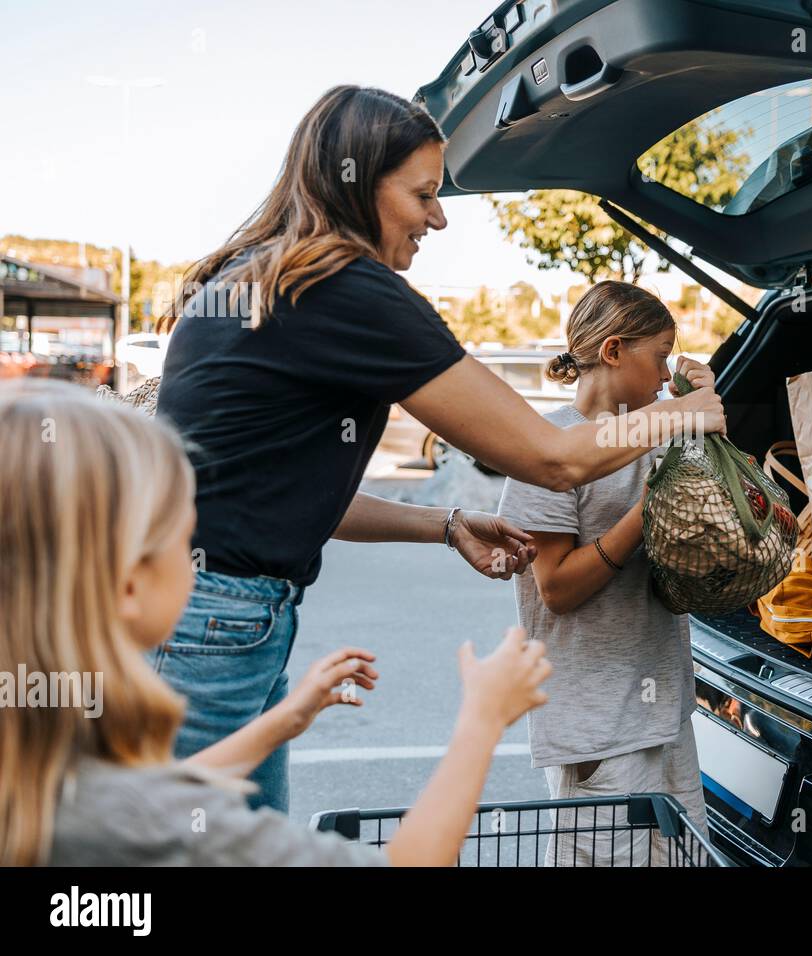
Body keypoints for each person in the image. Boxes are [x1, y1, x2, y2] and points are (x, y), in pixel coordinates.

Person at [153, 85, 724, 812]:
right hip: (216, 625)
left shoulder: (260, 277)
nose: (440, 216)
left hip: (200, 614)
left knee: (231, 844)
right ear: (357, 184)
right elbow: (554, 459)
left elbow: (284, 498)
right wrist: (687, 415)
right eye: (424, 193)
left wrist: (446, 524)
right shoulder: (347, 290)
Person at [0, 379, 551, 866]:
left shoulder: (49, 769)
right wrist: (483, 716)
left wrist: (285, 720)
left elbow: (156, 794)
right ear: (126, 584)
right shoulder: (131, 821)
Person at [496, 281, 709, 866]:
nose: (667, 377)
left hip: (666, 714)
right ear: (613, 350)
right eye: (660, 355)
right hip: (598, 730)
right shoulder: (549, 450)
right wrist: (646, 514)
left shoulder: (652, 435)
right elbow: (556, 588)